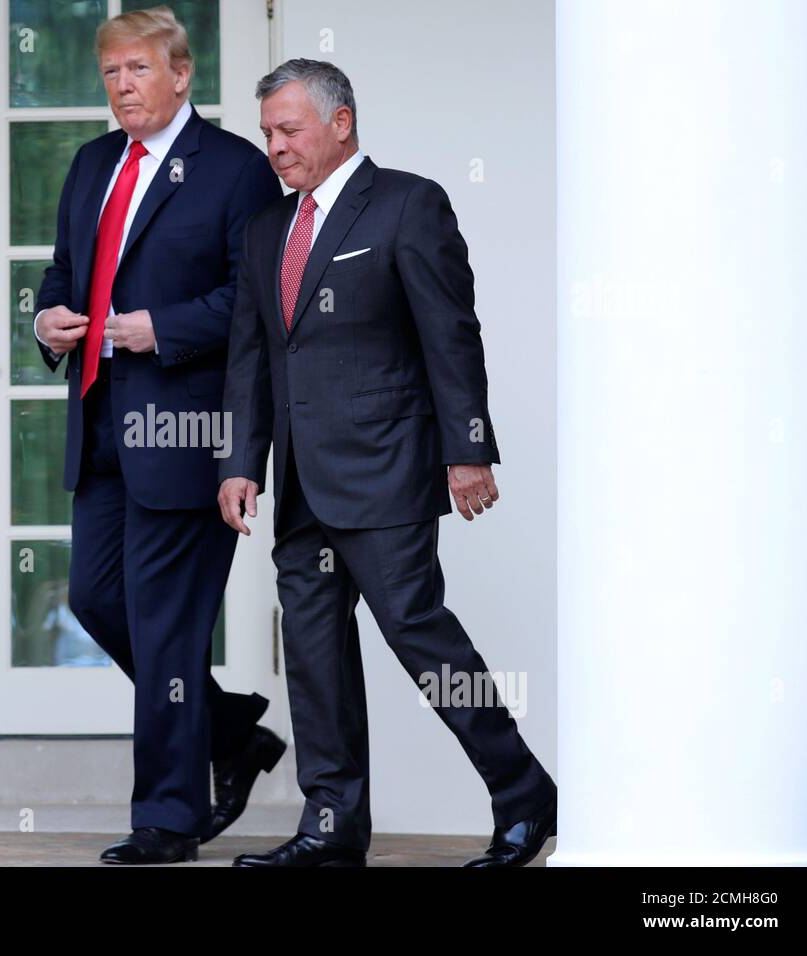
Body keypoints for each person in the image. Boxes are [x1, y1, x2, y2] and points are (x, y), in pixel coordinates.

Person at [218, 58, 558, 867]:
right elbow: (252, 357)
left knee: (422, 638)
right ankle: (331, 827)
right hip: (300, 486)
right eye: (266, 131)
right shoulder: (267, 229)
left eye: (289, 128)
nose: (275, 145)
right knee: (313, 656)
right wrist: (239, 462)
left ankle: (522, 792)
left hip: (387, 470)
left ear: (341, 123)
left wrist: (468, 449)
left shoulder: (409, 203)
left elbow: (451, 335)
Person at [33, 5, 285, 864]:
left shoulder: (235, 170)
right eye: (111, 73)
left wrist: (159, 328)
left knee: (168, 628)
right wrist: (47, 322)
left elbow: (256, 301)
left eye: (138, 69)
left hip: (186, 431)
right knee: (98, 602)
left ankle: (167, 819)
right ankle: (230, 732)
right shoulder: (92, 163)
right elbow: (62, 274)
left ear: (181, 74)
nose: (123, 86)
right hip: (100, 423)